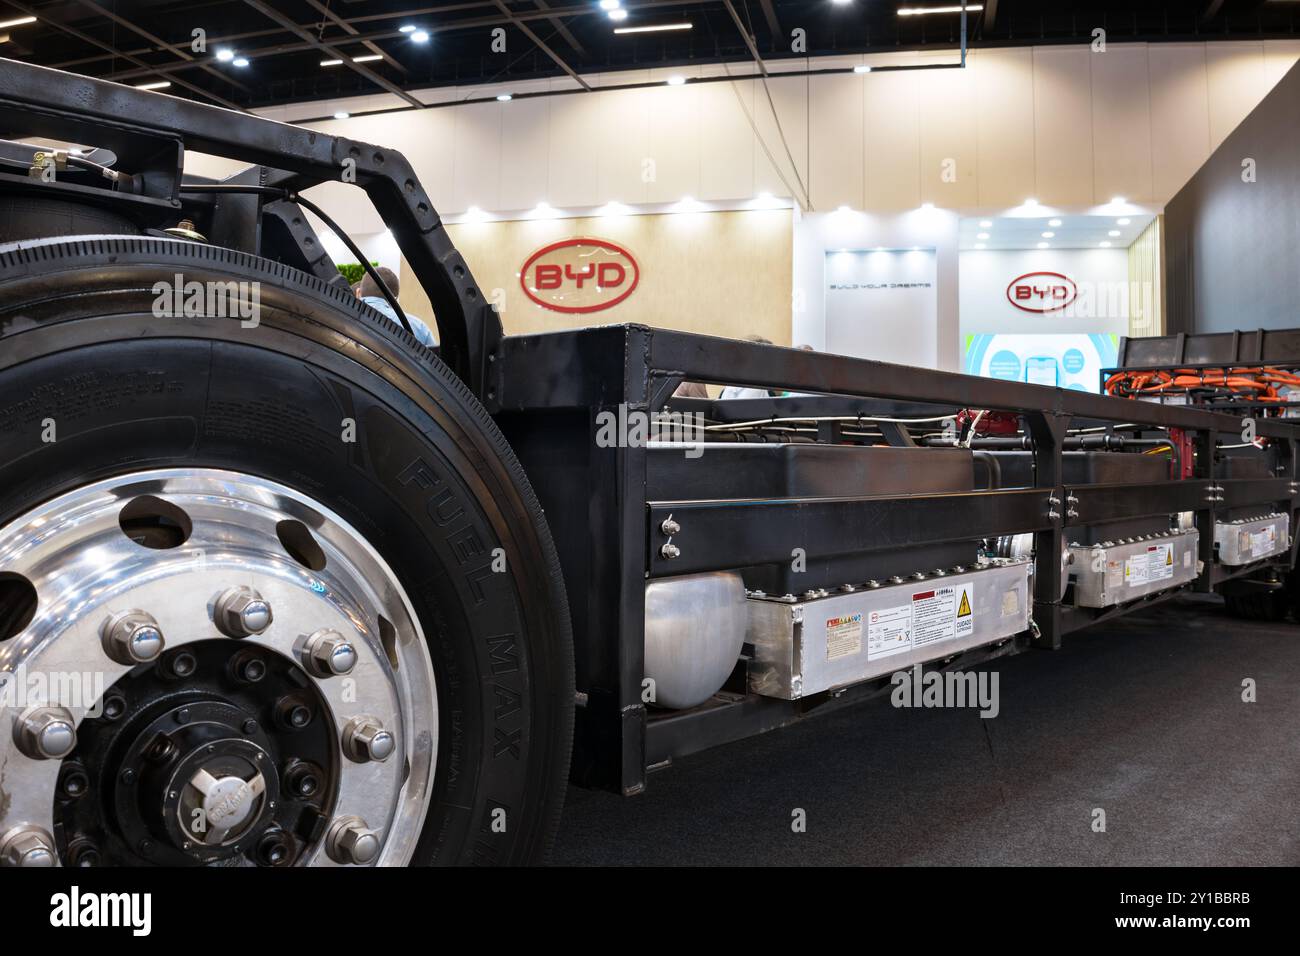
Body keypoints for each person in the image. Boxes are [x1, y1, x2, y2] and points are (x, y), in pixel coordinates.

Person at [357, 266, 437, 348]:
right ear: (395, 299)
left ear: (358, 292)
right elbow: (435, 359)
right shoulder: (419, 327)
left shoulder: (345, 316)